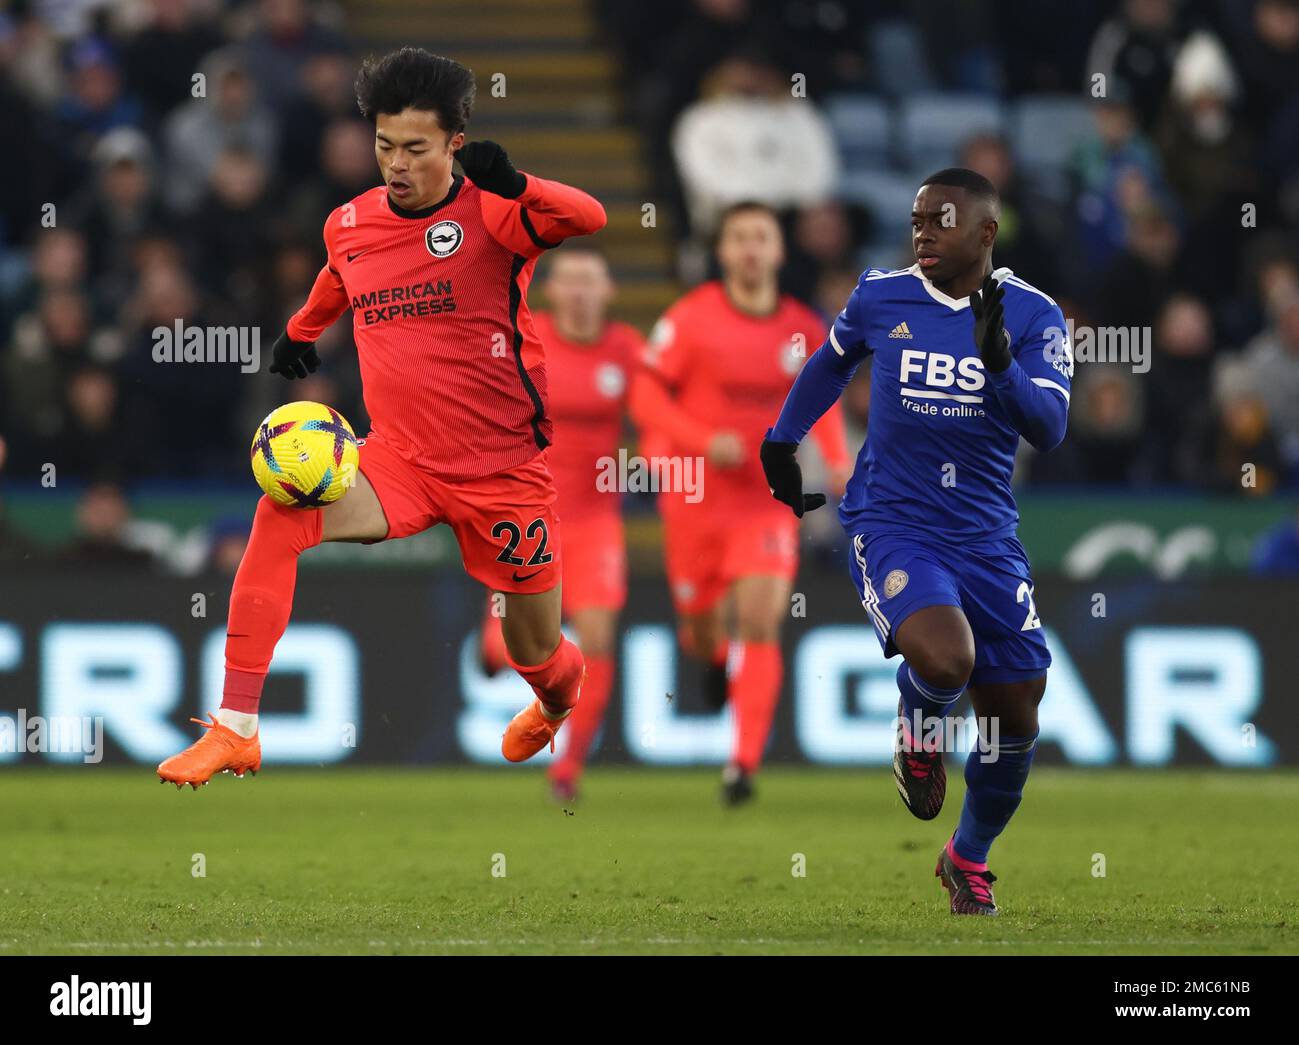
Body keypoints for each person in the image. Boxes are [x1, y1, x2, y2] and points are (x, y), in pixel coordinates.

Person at [157, 48, 606, 789]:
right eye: (384, 145)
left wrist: (519, 182)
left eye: (415, 148)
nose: (395, 163)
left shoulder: (497, 214)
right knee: (281, 515)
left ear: (454, 144)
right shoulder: (351, 222)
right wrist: (300, 334)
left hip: (503, 475)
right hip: (400, 460)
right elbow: (340, 281)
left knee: (537, 654)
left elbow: (589, 215)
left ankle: (558, 700)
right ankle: (237, 726)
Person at [762, 169, 1071, 914]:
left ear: (986, 233)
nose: (923, 232)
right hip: (894, 520)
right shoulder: (881, 294)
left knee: (1015, 715)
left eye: (942, 219)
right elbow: (831, 362)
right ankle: (916, 724)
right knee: (946, 656)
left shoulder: (1033, 315)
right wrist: (781, 439)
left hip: (986, 535)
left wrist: (1000, 367)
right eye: (916, 219)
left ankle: (967, 857)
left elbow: (1049, 428)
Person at [630, 201, 850, 805]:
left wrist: (836, 462)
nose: (751, 249)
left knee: (759, 618)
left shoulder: (804, 330)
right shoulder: (690, 320)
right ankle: (710, 655)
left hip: (764, 500)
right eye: (739, 238)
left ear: (779, 251)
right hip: (695, 499)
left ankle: (742, 764)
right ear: (723, 253)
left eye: (761, 237)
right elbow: (645, 395)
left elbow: (824, 402)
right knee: (702, 626)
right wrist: (704, 442)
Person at [480, 248, 641, 801]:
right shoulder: (526, 336)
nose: (578, 291)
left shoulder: (626, 350)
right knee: (511, 647)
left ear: (608, 292)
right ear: (550, 292)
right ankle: (492, 641)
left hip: (595, 519)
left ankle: (566, 768)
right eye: (569, 280)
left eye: (589, 280)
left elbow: (657, 414)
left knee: (597, 638)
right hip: (526, 509)